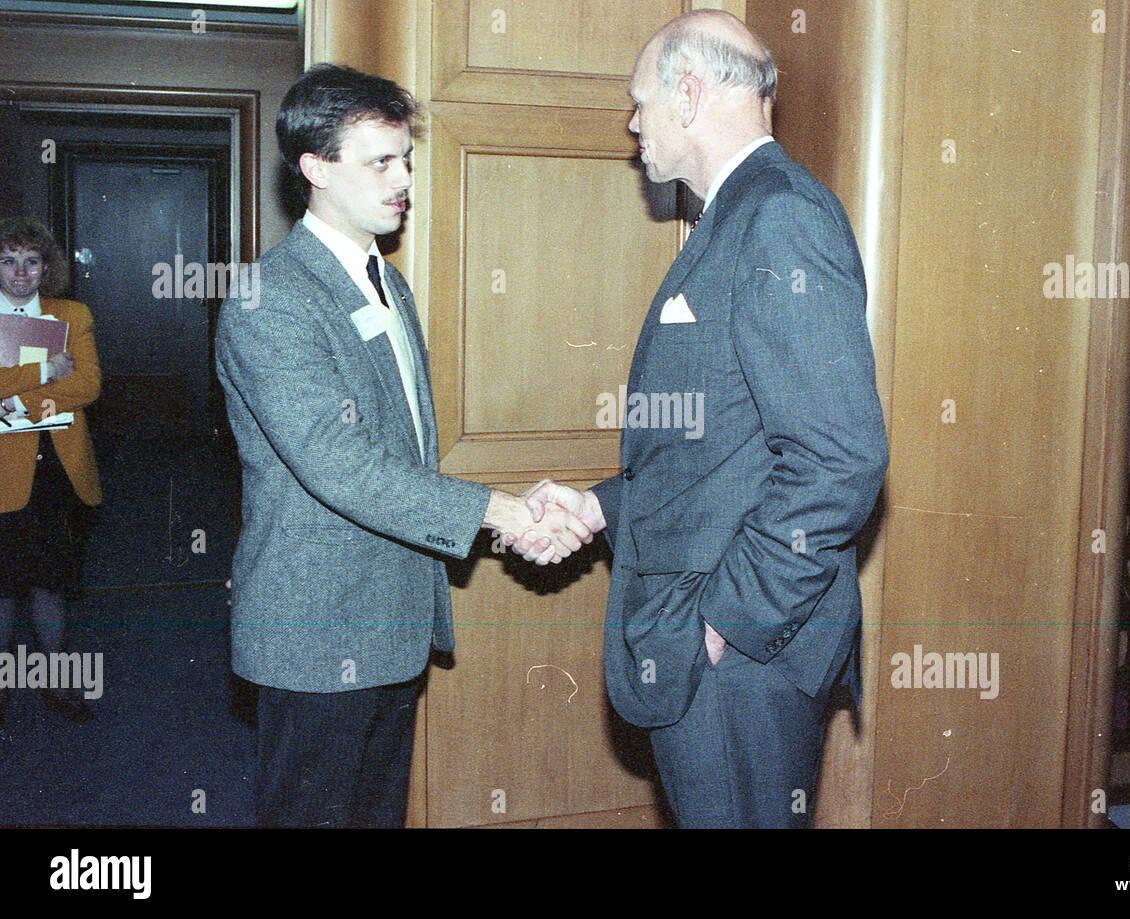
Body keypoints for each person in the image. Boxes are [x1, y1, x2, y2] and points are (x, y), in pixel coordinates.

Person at [520, 11, 888, 828]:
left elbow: (842, 460)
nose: (632, 120)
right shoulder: (737, 215)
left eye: (640, 99)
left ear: (687, 94)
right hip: (724, 647)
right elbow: (715, 449)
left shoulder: (780, 215)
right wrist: (598, 506)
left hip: (741, 657)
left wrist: (727, 619)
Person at [215, 63, 590, 827]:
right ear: (314, 167)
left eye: (406, 159)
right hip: (315, 632)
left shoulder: (387, 283)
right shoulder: (271, 298)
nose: (404, 179)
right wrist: (506, 514)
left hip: (390, 620)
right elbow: (338, 463)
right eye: (380, 160)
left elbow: (404, 448)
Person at [0, 218, 102, 725]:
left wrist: (11, 395)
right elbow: (61, 377)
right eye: (8, 260)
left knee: (50, 583)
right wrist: (41, 371)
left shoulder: (71, 314)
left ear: (47, 268)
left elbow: (87, 387)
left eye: (31, 261)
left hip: (57, 471)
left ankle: (57, 685)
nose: (21, 273)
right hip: (2, 476)